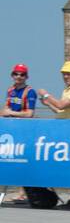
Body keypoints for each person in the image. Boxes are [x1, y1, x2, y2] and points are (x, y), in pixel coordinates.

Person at [36, 62, 70, 209]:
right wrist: (48, 104)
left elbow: (61, 105)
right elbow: (62, 112)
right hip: (67, 131)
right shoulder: (68, 89)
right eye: (64, 74)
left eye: (68, 73)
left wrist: (46, 94)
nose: (65, 76)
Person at [4, 64, 37, 204]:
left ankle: (23, 193)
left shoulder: (30, 92)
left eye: (22, 74)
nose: (19, 77)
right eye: (16, 74)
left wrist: (11, 113)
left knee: (23, 159)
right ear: (12, 75)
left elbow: (29, 113)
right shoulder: (10, 90)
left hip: (25, 131)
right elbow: (5, 108)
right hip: (12, 130)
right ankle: (21, 192)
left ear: (26, 77)